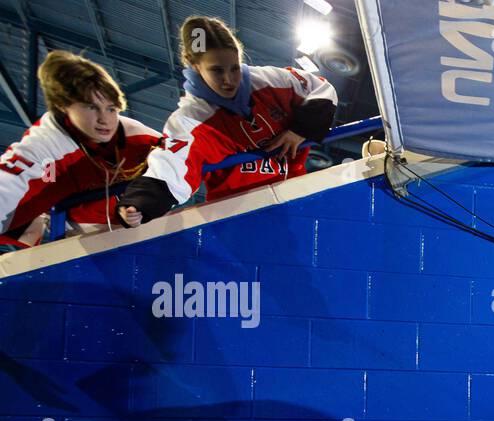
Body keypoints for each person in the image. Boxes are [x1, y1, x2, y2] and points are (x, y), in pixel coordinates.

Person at [117, 15, 337, 225]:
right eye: (216, 71)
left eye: (234, 68)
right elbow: (170, 167)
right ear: (195, 66)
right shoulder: (189, 120)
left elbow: (321, 89)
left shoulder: (271, 80)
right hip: (234, 212)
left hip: (294, 194)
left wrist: (300, 129)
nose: (228, 80)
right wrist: (139, 205)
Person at [0, 51, 162, 250]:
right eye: (91, 108)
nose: (104, 119)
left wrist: (141, 201)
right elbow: (7, 183)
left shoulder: (140, 137)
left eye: (111, 109)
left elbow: (182, 163)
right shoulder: (44, 147)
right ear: (63, 106)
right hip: (77, 238)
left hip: (138, 229)